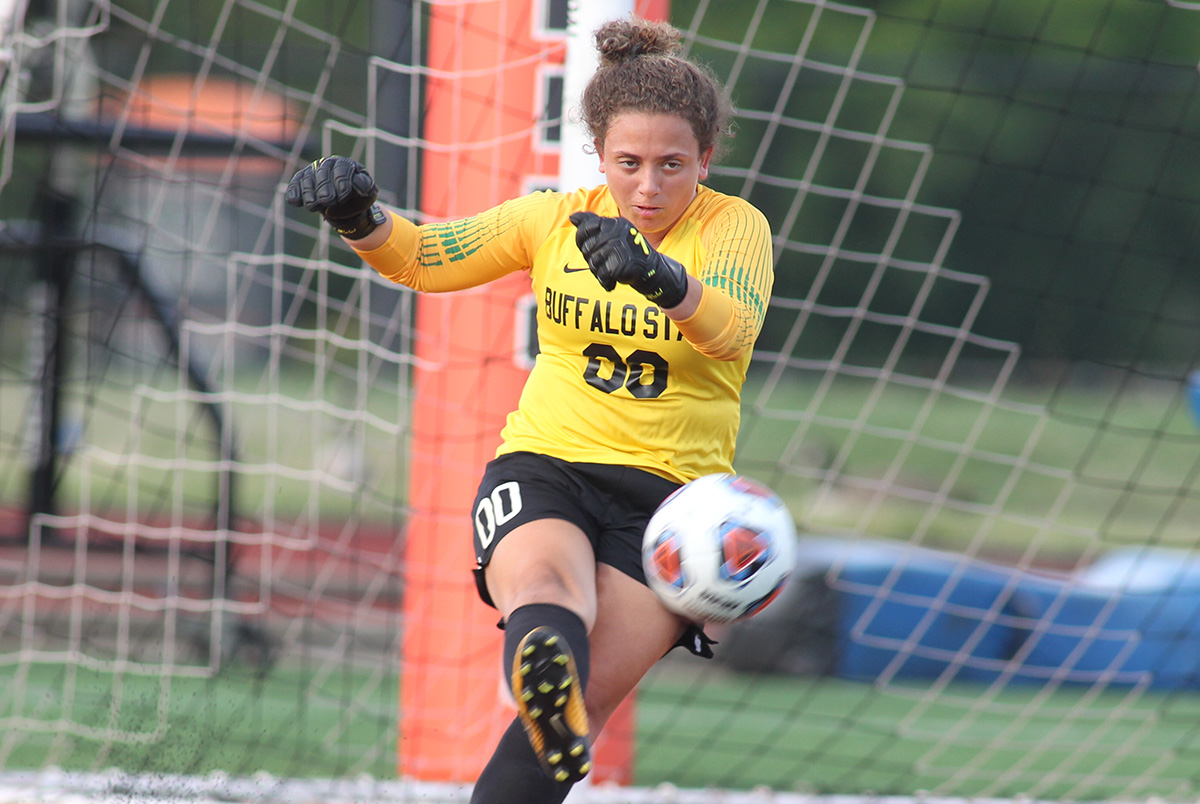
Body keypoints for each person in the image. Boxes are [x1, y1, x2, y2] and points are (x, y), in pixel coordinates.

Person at [286, 16, 774, 803]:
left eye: (672, 165)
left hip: (668, 509)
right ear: (598, 154)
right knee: (549, 593)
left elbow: (732, 329)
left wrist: (656, 276)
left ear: (706, 157)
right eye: (629, 163)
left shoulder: (734, 226)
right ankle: (544, 650)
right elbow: (424, 257)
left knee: (574, 716)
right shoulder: (550, 219)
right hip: (548, 465)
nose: (649, 188)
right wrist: (357, 218)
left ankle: (552, 694)